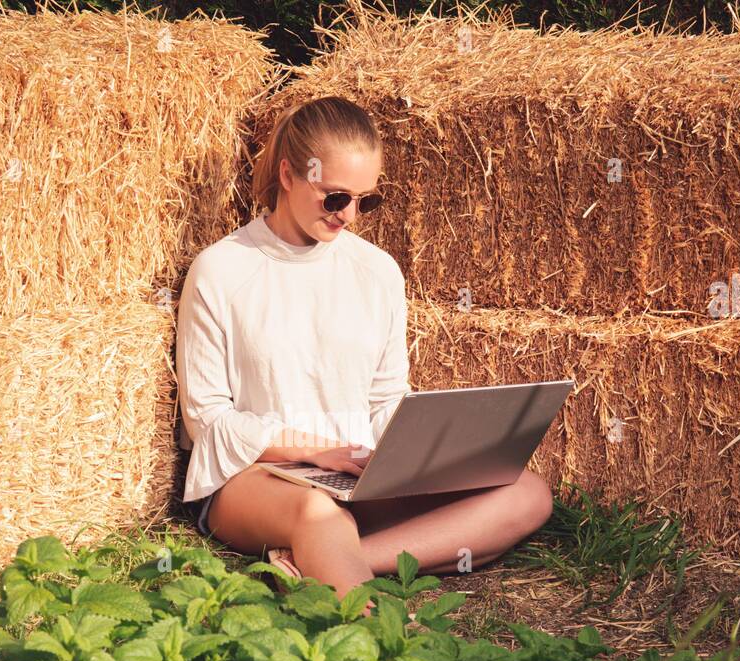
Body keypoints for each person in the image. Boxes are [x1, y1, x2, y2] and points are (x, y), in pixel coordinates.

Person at [175, 95, 553, 616]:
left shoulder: (378, 271)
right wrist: (314, 451)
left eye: (365, 201)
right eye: (335, 198)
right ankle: (386, 644)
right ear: (288, 175)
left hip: (356, 478)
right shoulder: (221, 269)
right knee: (317, 513)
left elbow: (385, 396)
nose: (349, 216)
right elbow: (207, 422)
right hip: (256, 479)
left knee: (528, 493)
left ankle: (324, 562)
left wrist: (415, 454)